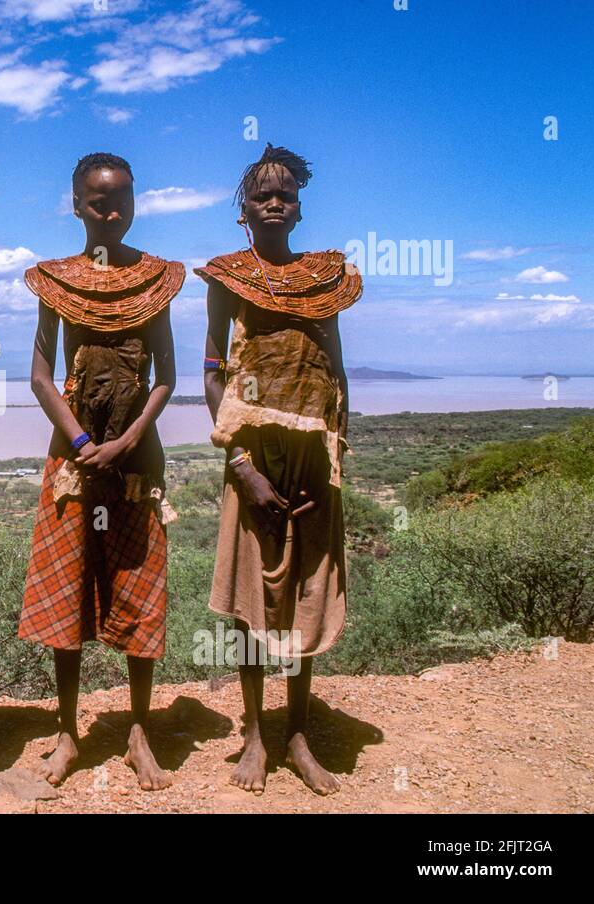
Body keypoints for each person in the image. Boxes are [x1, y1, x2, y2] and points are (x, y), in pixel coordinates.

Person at [196, 143, 361, 796]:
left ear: (298, 207)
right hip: (253, 457)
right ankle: (256, 737)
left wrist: (333, 456)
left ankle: (297, 733)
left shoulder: (323, 278)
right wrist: (241, 467)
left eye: (285, 193)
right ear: (244, 207)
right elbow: (212, 377)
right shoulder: (227, 278)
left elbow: (338, 374)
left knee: (303, 593)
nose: (274, 200)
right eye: (262, 192)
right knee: (251, 602)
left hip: (312, 461)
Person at [17, 152, 183, 790]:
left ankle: (139, 732)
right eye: (97, 201)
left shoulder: (157, 279)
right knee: (68, 593)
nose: (111, 212)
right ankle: (68, 733)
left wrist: (127, 440)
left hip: (137, 461)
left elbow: (165, 377)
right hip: (75, 459)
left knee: (139, 592)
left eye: (121, 200)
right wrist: (85, 437)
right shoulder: (55, 280)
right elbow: (38, 376)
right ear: (76, 205)